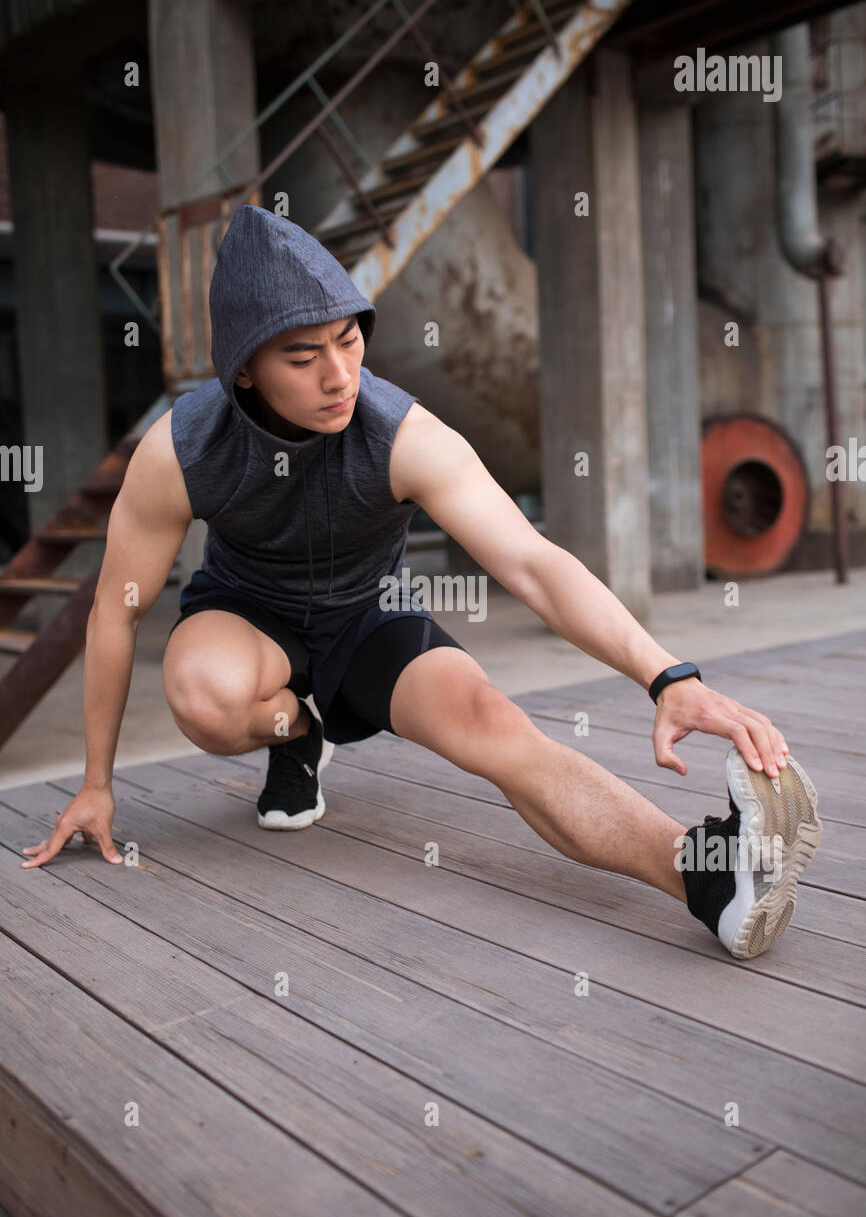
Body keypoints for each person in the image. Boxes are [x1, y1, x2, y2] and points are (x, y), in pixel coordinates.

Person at [21, 205, 822, 961]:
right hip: (245, 616)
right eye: (303, 358)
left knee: (497, 728)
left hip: (367, 620)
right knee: (204, 693)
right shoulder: (181, 449)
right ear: (244, 374)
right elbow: (116, 614)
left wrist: (666, 676)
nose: (338, 375)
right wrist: (97, 783)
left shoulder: (401, 434)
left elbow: (532, 563)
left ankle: (708, 874)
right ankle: (298, 736)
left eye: (348, 341)